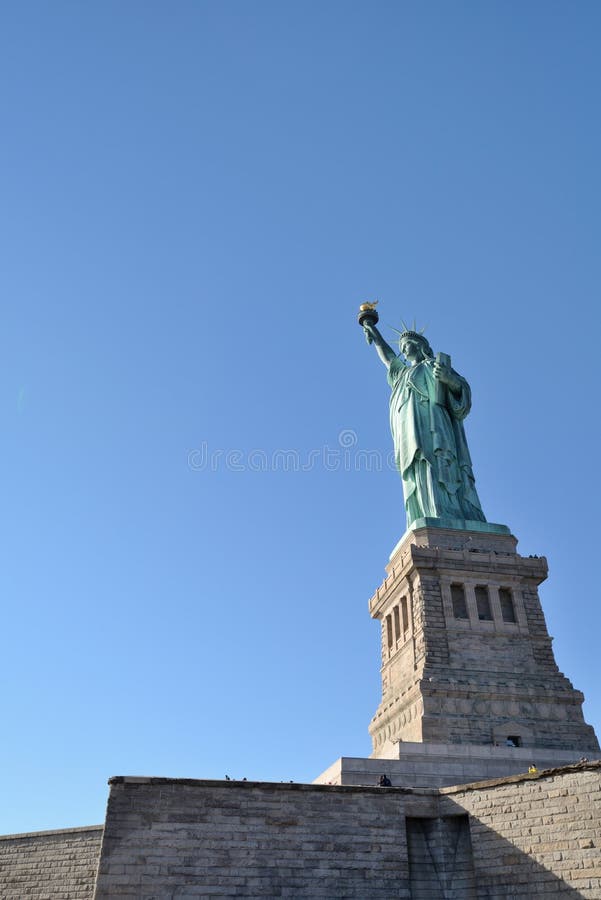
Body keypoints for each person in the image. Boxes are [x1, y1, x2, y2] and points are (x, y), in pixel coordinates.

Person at [362, 321, 486, 528]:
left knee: (440, 465)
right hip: (410, 432)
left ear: (419, 346)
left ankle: (451, 511)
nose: (403, 349)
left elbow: (462, 393)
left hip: (436, 427)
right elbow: (388, 358)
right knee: (419, 469)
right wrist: (375, 335)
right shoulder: (401, 375)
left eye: (406, 344)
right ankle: (426, 510)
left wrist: (449, 380)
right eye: (401, 347)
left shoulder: (433, 366)